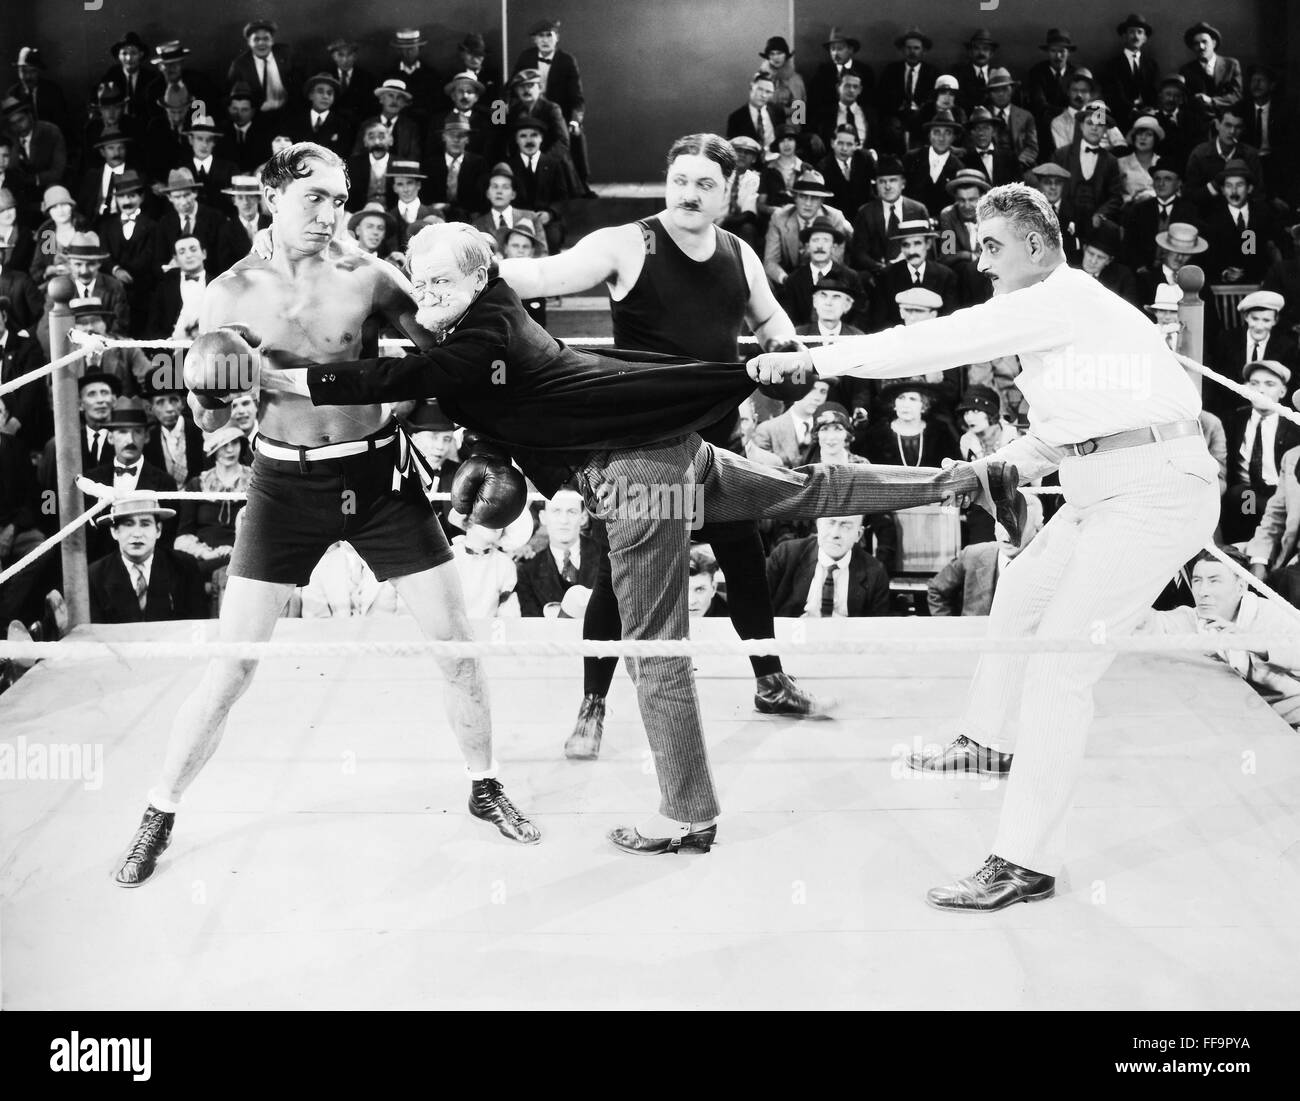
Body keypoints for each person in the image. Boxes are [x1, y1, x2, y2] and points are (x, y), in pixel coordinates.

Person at [272, 216, 1022, 855]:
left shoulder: (479, 337)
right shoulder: (473, 308)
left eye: (441, 282)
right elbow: (419, 313)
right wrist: (349, 246)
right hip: (667, 445)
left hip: (634, 480)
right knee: (807, 488)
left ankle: (688, 812)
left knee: (657, 649)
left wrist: (284, 377)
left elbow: (396, 378)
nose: (427, 293)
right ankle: (970, 479)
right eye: (420, 279)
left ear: (481, 277)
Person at [749, 181, 1220, 910]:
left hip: (1155, 489)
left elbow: (940, 338)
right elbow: (1071, 431)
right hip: (1108, 482)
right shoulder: (1066, 318)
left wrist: (822, 360)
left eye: (993, 246)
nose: (984, 262)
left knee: (1062, 662)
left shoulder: (1059, 297)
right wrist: (988, 468)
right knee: (1023, 594)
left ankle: (1024, 860)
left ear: (1036, 244)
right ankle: (988, 738)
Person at [93, 142, 542, 889]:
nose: (332, 213)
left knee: (456, 644)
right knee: (233, 664)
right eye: (316, 198)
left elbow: (448, 356)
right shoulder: (228, 295)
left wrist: (427, 408)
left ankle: (485, 783)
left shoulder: (370, 276)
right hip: (282, 486)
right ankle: (157, 814)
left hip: (378, 476)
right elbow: (208, 425)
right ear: (272, 196)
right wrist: (218, 400)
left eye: (339, 198)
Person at [1138, 548, 1300, 729]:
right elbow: (1147, 623)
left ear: (1241, 586)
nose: (1203, 592)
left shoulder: (1269, 614)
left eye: (1214, 581)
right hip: (1243, 722)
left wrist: (1257, 643)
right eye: (1197, 581)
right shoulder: (1191, 618)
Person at [88, 493, 207, 624]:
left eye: (145, 524)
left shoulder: (184, 567)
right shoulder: (95, 575)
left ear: (158, 530)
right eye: (128, 524)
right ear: (114, 531)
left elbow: (197, 625)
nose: (137, 534)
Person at [1221, 359, 1300, 544]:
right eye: (1254, 384)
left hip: (1280, 494)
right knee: (1242, 497)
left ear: (1283, 391)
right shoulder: (1232, 421)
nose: (1261, 390)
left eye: (1269, 384)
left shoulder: (1294, 426)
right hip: (1246, 494)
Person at [765, 515, 890, 617]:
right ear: (818, 524)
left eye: (845, 526)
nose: (835, 534)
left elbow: (876, 634)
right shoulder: (786, 555)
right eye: (830, 523)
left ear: (858, 534)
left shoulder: (875, 573)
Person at [173, 424, 251, 579]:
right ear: (213, 449)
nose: (230, 450)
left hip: (243, 557)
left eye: (234, 443)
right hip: (204, 559)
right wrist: (207, 553)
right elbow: (184, 533)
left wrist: (234, 551)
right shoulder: (197, 484)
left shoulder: (254, 482)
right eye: (224, 445)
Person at [928, 510, 1040, 617]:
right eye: (1002, 524)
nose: (1007, 537)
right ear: (995, 526)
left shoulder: (1044, 566)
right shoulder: (972, 555)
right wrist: (953, 629)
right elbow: (936, 590)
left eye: (1017, 528)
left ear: (1038, 530)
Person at [515, 487, 597, 617]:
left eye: (571, 512)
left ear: (583, 517)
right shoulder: (527, 572)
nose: (564, 520)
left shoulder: (606, 558)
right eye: (556, 511)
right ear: (543, 517)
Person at [687, 545, 727, 618]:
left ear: (713, 588)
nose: (691, 601)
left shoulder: (733, 611)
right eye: (683, 592)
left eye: (700, 589)